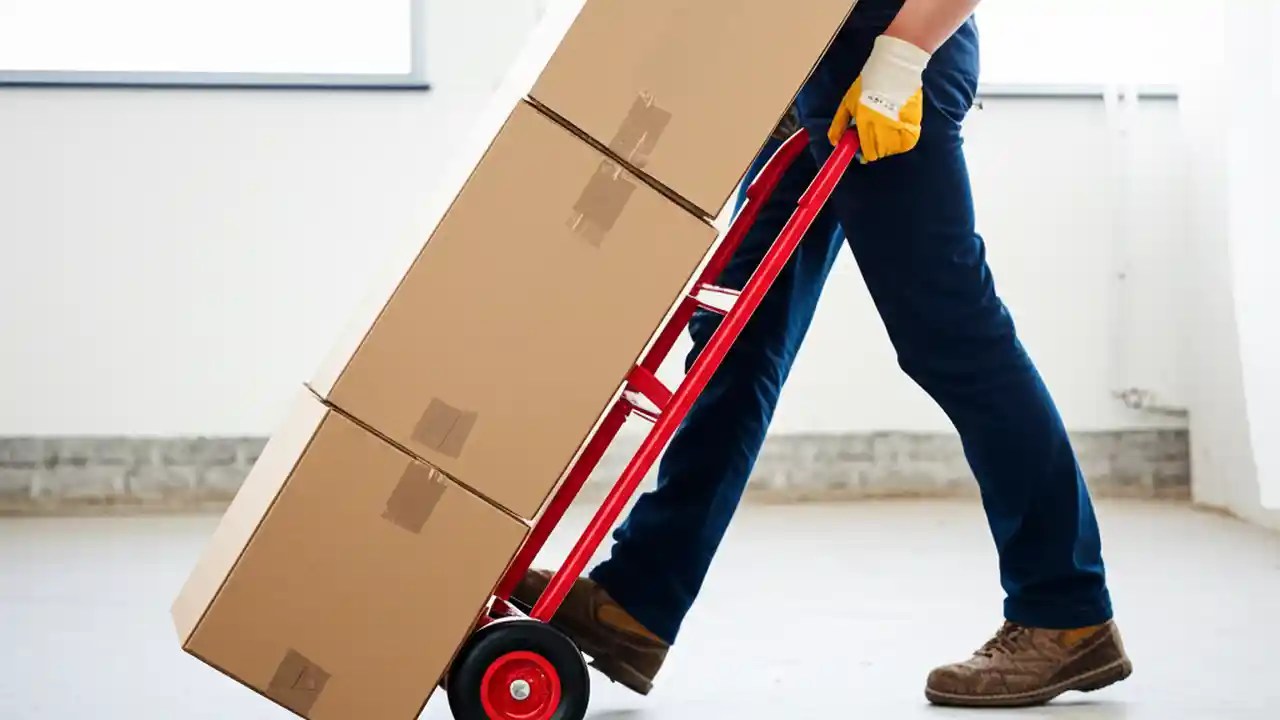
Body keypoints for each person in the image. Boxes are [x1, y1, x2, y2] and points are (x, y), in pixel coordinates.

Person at [517, 0, 1133, 707]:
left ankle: (1065, 610)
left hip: (887, 59)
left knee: (954, 337)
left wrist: (901, 56)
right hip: (817, 72)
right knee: (732, 341)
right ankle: (638, 598)